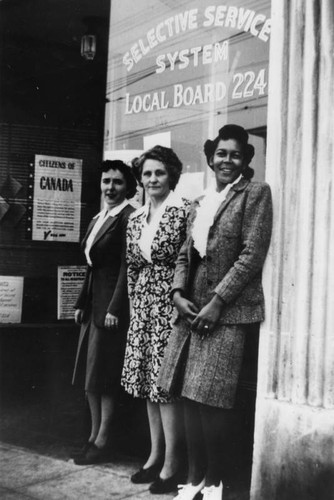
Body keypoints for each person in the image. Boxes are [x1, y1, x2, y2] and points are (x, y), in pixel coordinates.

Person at [158, 124, 273, 500]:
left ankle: (215, 482)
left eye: (235, 154)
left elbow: (251, 255)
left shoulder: (255, 193)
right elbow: (182, 254)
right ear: (210, 159)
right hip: (191, 312)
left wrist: (217, 301)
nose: (227, 160)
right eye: (221, 154)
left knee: (213, 400)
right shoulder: (201, 201)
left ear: (246, 160)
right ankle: (192, 480)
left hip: (227, 314)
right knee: (188, 397)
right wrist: (177, 292)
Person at [121, 145, 190, 494]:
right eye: (147, 173)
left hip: (170, 304)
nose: (152, 179)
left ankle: (173, 464)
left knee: (165, 386)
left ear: (171, 175)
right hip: (143, 308)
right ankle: (154, 456)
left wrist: (178, 301)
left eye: (159, 173)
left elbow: (188, 261)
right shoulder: (135, 217)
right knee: (149, 383)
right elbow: (132, 266)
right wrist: (134, 306)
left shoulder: (183, 212)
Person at [71, 159, 137, 465]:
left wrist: (114, 308)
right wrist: (81, 303)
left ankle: (103, 438)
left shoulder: (128, 217)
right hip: (92, 308)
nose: (110, 187)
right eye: (106, 181)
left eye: (117, 182)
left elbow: (127, 266)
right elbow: (91, 267)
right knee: (90, 377)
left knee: (105, 377)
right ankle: (91, 435)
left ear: (128, 186)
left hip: (111, 310)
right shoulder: (98, 217)